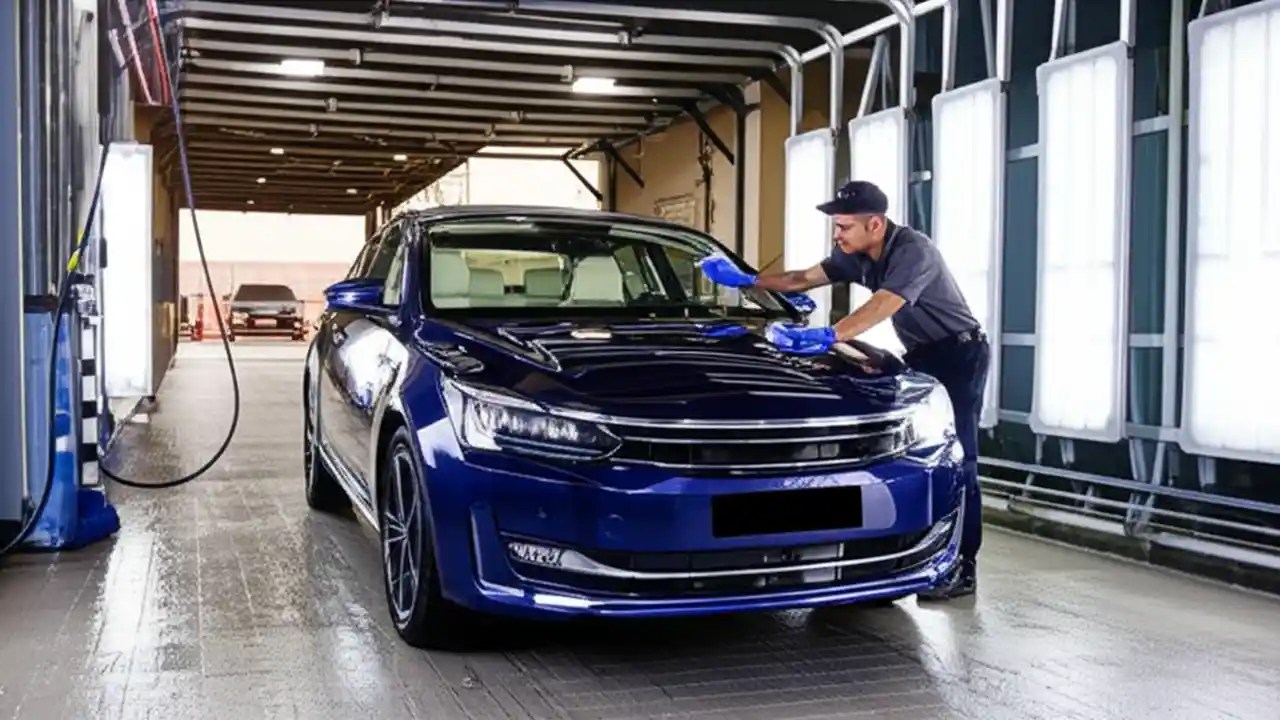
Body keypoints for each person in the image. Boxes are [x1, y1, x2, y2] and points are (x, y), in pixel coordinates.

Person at [698, 180, 989, 600]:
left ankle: (962, 567)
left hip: (960, 355)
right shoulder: (855, 254)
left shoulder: (914, 251)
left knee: (961, 456)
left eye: (844, 227)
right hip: (922, 353)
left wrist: (830, 336)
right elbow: (801, 278)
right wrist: (750, 279)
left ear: (875, 224)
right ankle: (890, 560)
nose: (837, 235)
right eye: (836, 226)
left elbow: (884, 304)